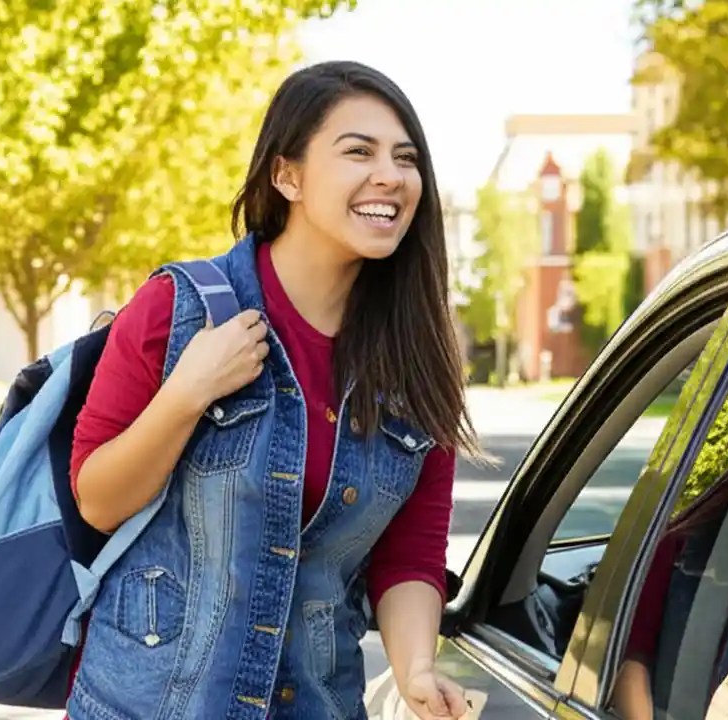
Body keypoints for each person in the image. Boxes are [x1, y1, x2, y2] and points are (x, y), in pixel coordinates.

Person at [65, 60, 479, 720]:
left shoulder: (417, 363)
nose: (390, 176)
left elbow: (411, 554)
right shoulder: (178, 312)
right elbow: (97, 499)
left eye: (406, 158)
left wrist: (416, 670)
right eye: (358, 152)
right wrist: (186, 394)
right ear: (287, 175)